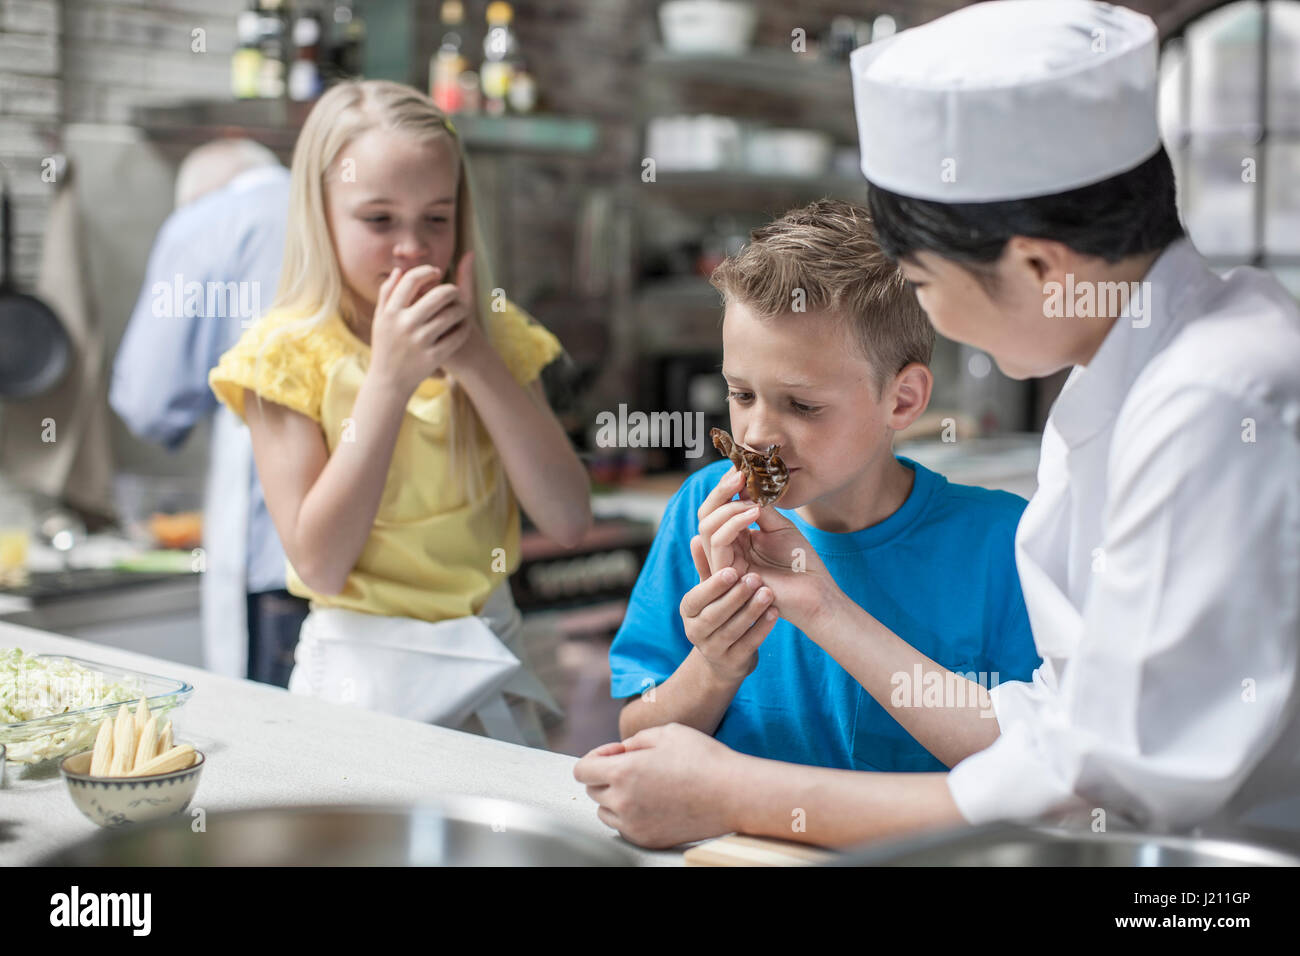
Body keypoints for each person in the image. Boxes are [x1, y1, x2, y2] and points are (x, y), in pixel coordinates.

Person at [576, 0, 1300, 849]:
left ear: (1036, 265)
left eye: (921, 281)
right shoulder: (1127, 380)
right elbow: (1049, 734)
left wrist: (737, 795)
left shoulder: (1214, 401)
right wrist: (820, 608)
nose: (930, 314)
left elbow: (1095, 793)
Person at [209, 80, 591, 745]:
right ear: (320, 214)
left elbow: (566, 519)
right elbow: (323, 564)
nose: (411, 247)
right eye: (379, 220)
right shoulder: (283, 357)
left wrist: (474, 358)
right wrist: (388, 381)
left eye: (436, 219)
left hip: (490, 673)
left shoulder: (498, 336)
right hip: (359, 695)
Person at [607, 199, 1041, 774]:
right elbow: (636, 733)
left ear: (903, 399)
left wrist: (827, 610)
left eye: (803, 405)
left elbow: (1037, 765)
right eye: (741, 395)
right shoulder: (702, 512)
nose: (758, 434)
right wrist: (714, 667)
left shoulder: (1002, 545)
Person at [110, 138, 309, 687]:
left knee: (277, 749)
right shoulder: (333, 203)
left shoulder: (207, 220)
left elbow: (149, 400)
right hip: (372, 557)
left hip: (270, 547)